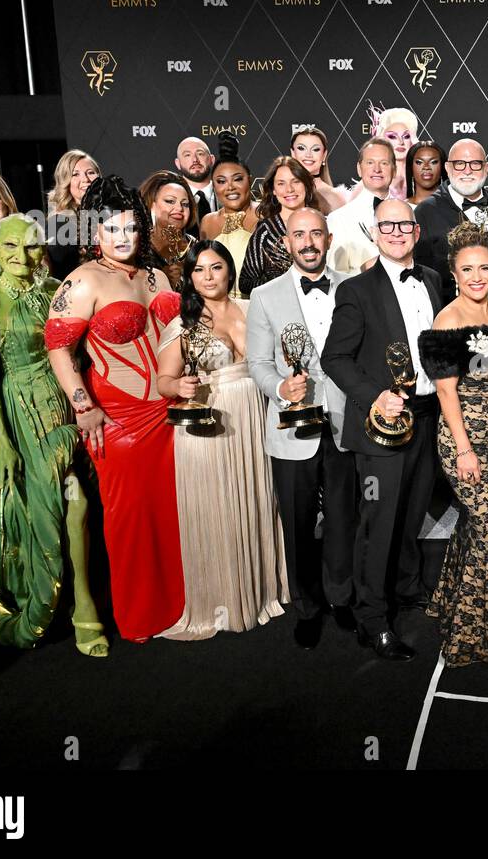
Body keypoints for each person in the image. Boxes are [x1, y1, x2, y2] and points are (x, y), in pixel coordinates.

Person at [44, 175, 184, 643]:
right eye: (111, 229)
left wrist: (176, 387)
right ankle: (139, 616)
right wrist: (83, 407)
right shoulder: (82, 280)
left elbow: (170, 337)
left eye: (130, 228)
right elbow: (59, 349)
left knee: (171, 512)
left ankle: (180, 604)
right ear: (92, 231)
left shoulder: (155, 275)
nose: (122, 238)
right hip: (116, 418)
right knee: (128, 519)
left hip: (164, 412)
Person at [0, 214, 109, 656]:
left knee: (84, 501)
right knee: (72, 501)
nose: (23, 256)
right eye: (11, 247)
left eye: (32, 246)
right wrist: (2, 445)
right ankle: (83, 607)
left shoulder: (56, 291)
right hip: (23, 414)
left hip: (66, 403)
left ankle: (86, 592)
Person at [321, 198, 443, 661]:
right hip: (381, 424)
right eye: (386, 224)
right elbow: (334, 357)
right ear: (375, 232)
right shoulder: (356, 290)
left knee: (412, 514)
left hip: (428, 415)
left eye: (404, 224)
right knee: (378, 522)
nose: (396, 231)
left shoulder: (432, 280)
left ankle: (408, 588)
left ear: (416, 230)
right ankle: (372, 618)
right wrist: (375, 396)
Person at [156, 240, 289, 640]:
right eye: (199, 270)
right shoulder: (182, 323)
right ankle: (223, 599)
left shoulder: (254, 308)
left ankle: (264, 589)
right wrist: (179, 385)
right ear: (190, 277)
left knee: (256, 499)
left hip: (254, 417)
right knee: (215, 505)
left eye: (216, 267)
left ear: (229, 270)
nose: (208, 277)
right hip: (208, 421)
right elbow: (162, 381)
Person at [416, 222, 488, 667]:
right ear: (455, 273)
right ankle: (472, 634)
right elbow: (446, 394)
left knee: (472, 525)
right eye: (468, 269)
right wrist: (464, 451)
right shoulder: (447, 323)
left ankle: (447, 597)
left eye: (485, 267)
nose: (478, 276)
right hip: (464, 444)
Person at [247, 207, 356, 649]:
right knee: (297, 522)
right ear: (287, 243)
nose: (308, 242)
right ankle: (307, 607)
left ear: (328, 239)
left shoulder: (352, 288)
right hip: (292, 428)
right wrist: (280, 388)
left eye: (316, 234)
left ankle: (341, 597)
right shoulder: (264, 295)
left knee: (344, 519)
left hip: (346, 422)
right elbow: (257, 362)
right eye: (299, 235)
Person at [413, 138, 488, 303]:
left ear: (486, 168)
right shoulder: (425, 213)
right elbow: (420, 277)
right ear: (447, 167)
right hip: (450, 315)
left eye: (475, 164)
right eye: (460, 163)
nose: (467, 171)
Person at [240, 155, 319, 294]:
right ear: (274, 190)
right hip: (280, 309)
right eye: (281, 183)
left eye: (296, 181)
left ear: (306, 185)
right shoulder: (265, 232)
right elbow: (246, 282)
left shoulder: (325, 224)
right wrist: (283, 285)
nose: (289, 189)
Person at [325, 138, 396, 276]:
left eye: (384, 163)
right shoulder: (339, 219)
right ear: (359, 169)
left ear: (394, 169)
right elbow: (334, 275)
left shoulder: (411, 212)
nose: (377, 169)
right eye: (370, 163)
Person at [198, 132, 259, 284]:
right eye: (221, 181)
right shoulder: (208, 221)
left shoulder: (265, 214)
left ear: (249, 180)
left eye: (237, 179)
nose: (230, 187)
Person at [45, 150, 101, 280]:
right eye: (75, 174)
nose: (86, 179)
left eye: (91, 173)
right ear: (65, 181)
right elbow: (60, 269)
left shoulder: (109, 213)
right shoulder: (59, 223)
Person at [140, 170, 197, 290]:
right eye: (170, 201)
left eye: (185, 204)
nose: (179, 208)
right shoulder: (138, 244)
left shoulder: (194, 246)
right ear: (151, 205)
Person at [289, 126, 348, 214]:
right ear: (293, 153)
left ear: (324, 155)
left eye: (315, 149)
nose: (308, 155)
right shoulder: (280, 192)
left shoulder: (334, 197)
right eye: (301, 148)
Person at [366, 105, 418, 201]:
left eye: (406, 136)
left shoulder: (422, 179)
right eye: (392, 136)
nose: (400, 142)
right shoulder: (371, 181)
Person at [175, 136, 215, 220]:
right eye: (187, 155)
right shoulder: (169, 198)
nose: (195, 160)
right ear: (178, 163)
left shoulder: (228, 194)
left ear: (212, 160)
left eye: (200, 153)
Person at [406, 141, 446, 207]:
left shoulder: (454, 208)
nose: (426, 167)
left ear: (442, 167)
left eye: (434, 162)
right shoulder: (401, 207)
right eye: (419, 162)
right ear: (411, 168)